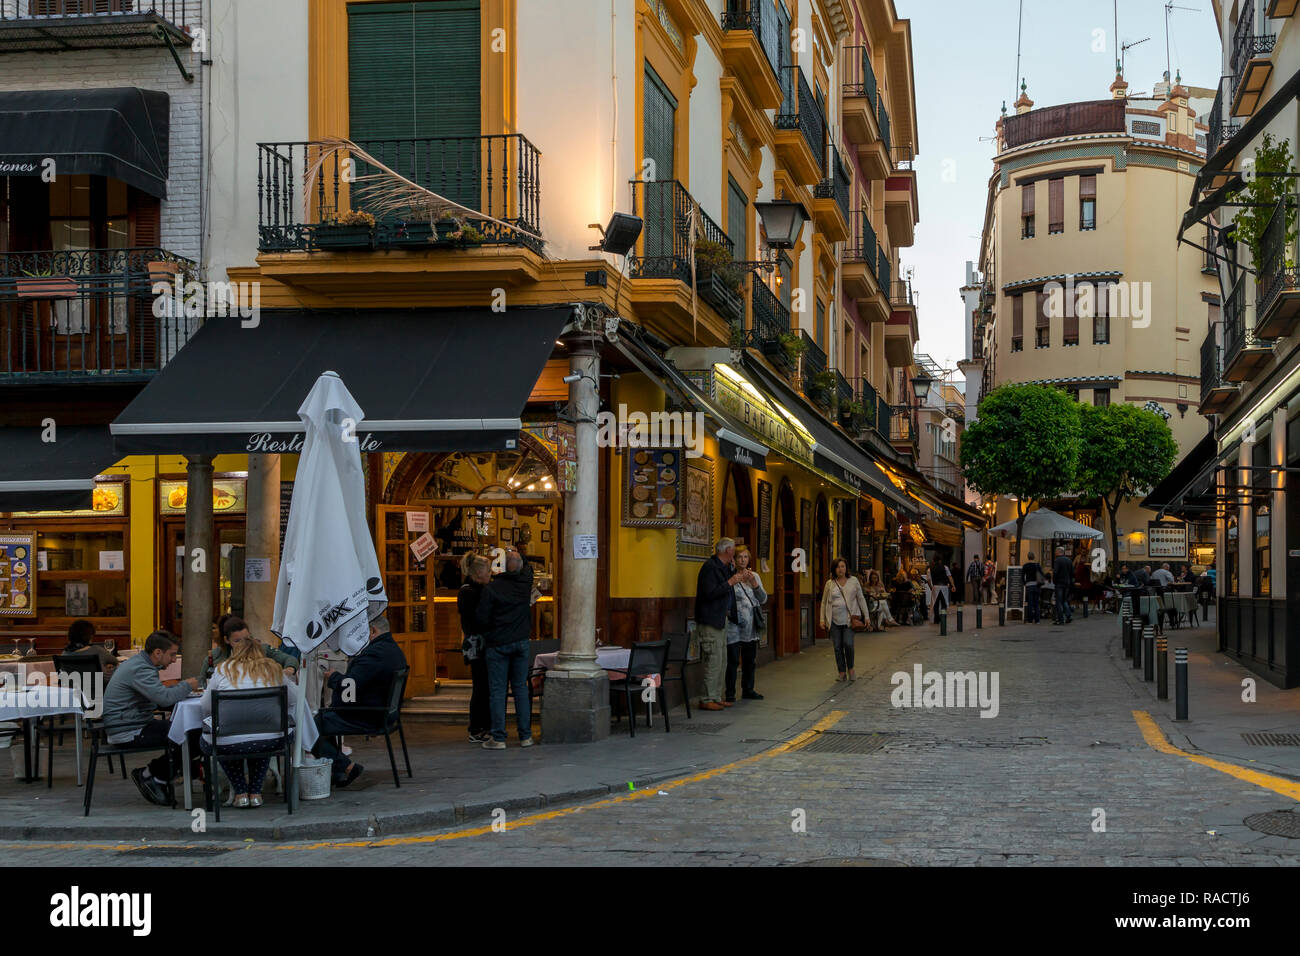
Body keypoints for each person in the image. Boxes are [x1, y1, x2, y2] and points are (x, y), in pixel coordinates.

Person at [101, 630, 199, 807]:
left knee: (184, 731)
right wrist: (187, 686)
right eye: (172, 654)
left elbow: (159, 696)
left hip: (131, 723)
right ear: (158, 653)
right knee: (190, 733)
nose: (174, 660)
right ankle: (153, 776)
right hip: (127, 729)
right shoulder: (141, 669)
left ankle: (156, 774)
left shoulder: (140, 664)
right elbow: (163, 699)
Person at [200, 635, 299, 808]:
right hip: (271, 739)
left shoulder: (223, 669)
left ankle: (241, 793)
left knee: (223, 738)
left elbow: (206, 706)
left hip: (228, 740)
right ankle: (255, 793)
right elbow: (293, 698)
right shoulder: (273, 669)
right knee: (260, 735)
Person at [310, 616, 407, 786]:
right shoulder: (392, 649)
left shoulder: (375, 654)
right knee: (324, 720)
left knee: (311, 727)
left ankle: (346, 766)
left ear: (372, 631)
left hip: (369, 716)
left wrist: (333, 677)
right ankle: (338, 771)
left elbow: (350, 687)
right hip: (382, 713)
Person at [476, 547, 536, 748]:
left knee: (498, 691)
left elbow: (481, 619)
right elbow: (527, 567)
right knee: (520, 688)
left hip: (498, 644)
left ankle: (499, 737)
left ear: (500, 567)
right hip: (520, 642)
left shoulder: (492, 588)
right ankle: (525, 736)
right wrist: (517, 553)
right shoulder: (525, 583)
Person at [694, 538, 741, 712]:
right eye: (733, 550)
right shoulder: (710, 568)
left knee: (722, 659)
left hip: (720, 620)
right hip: (710, 620)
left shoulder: (722, 568)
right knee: (713, 659)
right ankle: (706, 698)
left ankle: (715, 696)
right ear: (727, 550)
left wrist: (732, 572)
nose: (734, 553)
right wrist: (730, 582)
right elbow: (709, 593)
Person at [724, 545, 767, 702]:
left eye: (745, 557)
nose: (742, 560)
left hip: (750, 625)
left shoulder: (754, 575)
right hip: (733, 625)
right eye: (739, 557)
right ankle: (730, 692)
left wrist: (754, 583)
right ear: (734, 560)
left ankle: (748, 689)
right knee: (733, 660)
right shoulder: (730, 576)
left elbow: (763, 599)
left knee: (750, 660)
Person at [457, 552, 492, 743]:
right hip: (476, 645)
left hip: (481, 643)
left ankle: (484, 725)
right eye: (488, 571)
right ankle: (476, 727)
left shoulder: (477, 590)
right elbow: (476, 620)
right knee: (480, 686)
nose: (490, 574)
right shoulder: (468, 592)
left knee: (484, 686)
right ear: (479, 572)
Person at [205, 617, 297, 683]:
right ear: (227, 640)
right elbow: (203, 683)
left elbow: (290, 659)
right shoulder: (215, 656)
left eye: (247, 638)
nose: (243, 644)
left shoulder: (263, 649)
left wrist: (288, 670)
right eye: (237, 641)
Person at [820, 557, 870, 681]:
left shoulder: (854, 581)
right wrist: (822, 619)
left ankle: (851, 668)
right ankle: (842, 672)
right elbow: (823, 602)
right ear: (834, 569)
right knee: (837, 647)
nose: (840, 569)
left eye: (842, 566)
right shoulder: (830, 584)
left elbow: (861, 598)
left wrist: (867, 616)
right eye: (837, 567)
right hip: (834, 619)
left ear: (846, 568)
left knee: (848, 644)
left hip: (849, 620)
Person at [1052, 547, 1074, 625]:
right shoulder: (1069, 560)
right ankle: (1069, 615)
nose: (1055, 553)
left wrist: (1054, 581)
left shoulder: (1057, 560)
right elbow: (1072, 572)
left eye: (1055, 552)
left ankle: (1061, 619)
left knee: (1059, 601)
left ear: (1058, 552)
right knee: (1064, 600)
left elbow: (1055, 572)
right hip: (1067, 583)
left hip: (1059, 583)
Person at [1021, 552, 1043, 624]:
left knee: (1030, 603)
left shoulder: (1025, 566)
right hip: (1037, 586)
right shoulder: (1037, 565)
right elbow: (1041, 575)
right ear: (1034, 557)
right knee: (1036, 603)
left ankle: (1030, 620)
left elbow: (1022, 576)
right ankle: (1037, 620)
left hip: (1029, 586)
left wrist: (1025, 583)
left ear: (1028, 557)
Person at [929, 556, 951, 623]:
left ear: (933, 561)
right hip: (944, 587)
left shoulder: (930, 569)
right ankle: (943, 616)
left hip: (935, 587)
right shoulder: (945, 567)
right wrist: (953, 585)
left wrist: (931, 587)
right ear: (940, 561)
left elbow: (929, 580)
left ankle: (936, 618)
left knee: (936, 603)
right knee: (944, 603)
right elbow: (949, 577)